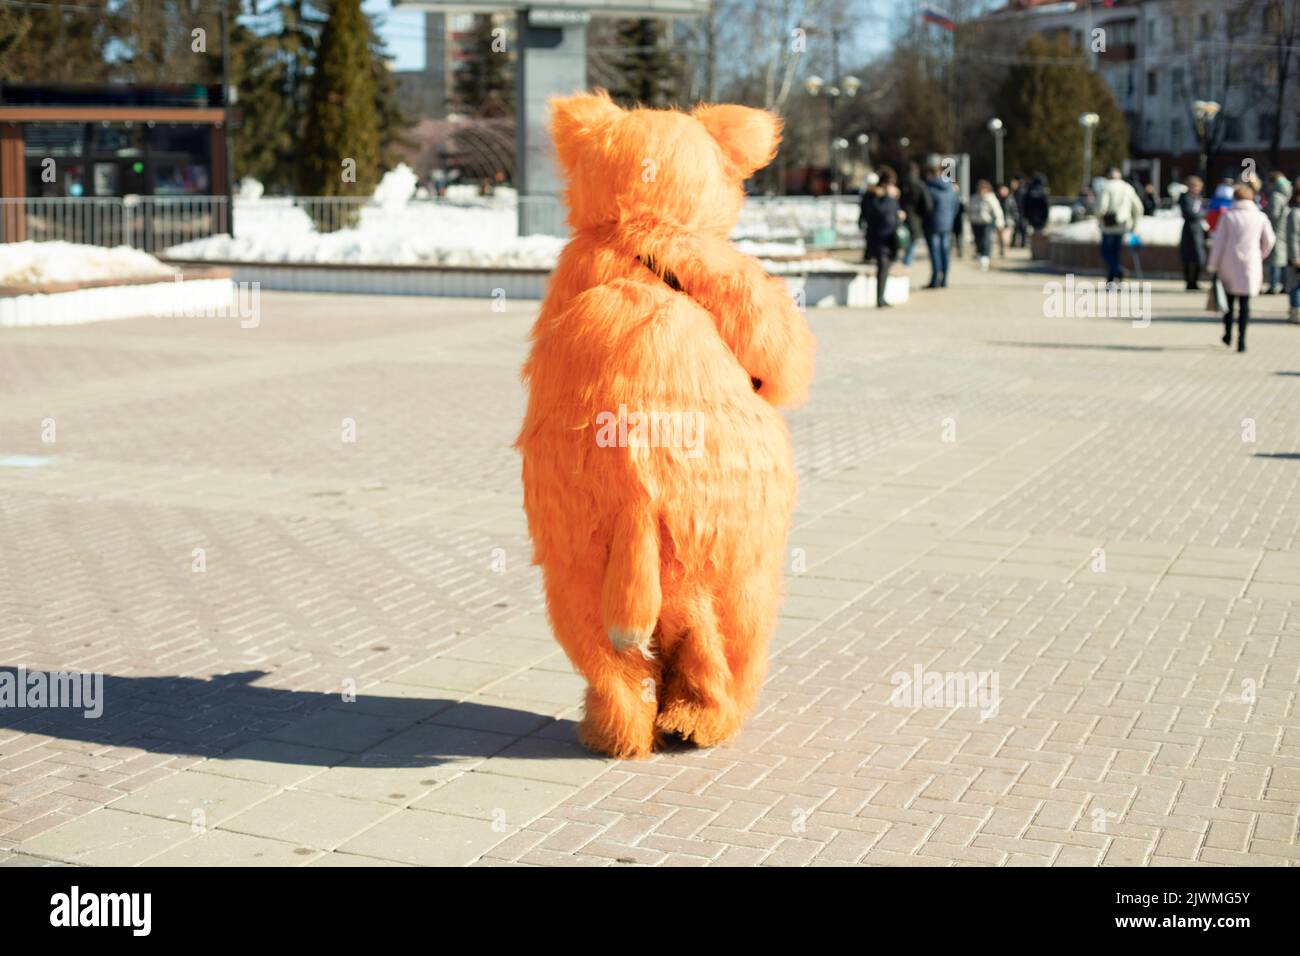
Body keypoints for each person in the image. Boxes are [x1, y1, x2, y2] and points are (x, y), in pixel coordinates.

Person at [1207, 182, 1276, 353]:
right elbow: (1270, 240)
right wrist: (1261, 253)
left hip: (1228, 262)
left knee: (1228, 302)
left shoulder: (1228, 216)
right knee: (1245, 303)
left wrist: (1212, 265)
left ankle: (1228, 334)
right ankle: (1242, 340)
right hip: (1250, 263)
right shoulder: (1260, 216)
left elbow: (1219, 243)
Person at [860, 165, 902, 308]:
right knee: (883, 265)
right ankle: (880, 298)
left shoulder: (888, 198)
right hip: (878, 237)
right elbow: (878, 212)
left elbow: (894, 214)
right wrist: (890, 198)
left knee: (886, 266)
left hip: (889, 238)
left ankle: (881, 297)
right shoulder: (874, 196)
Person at [1095, 167, 1145, 284]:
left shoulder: (1106, 187)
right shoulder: (1128, 188)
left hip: (1108, 225)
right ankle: (1111, 280)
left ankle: (1118, 271)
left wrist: (1098, 218)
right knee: (1116, 254)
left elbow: (1101, 207)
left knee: (1106, 254)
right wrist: (1134, 224)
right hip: (1123, 225)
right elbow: (1138, 208)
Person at [924, 165, 959, 288]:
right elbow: (956, 207)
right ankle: (944, 279)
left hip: (932, 224)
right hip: (947, 224)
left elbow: (926, 207)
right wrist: (950, 218)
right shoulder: (951, 188)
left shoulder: (929, 188)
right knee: (945, 252)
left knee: (935, 253)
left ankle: (935, 279)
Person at [898, 161, 933, 267]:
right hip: (915, 217)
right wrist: (922, 215)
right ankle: (906, 262)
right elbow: (928, 205)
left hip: (900, 216)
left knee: (900, 238)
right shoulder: (920, 184)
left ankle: (902, 260)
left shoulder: (900, 183)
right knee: (913, 240)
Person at [967, 180, 1005, 272]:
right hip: (976, 223)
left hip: (986, 223)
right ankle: (980, 256)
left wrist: (1000, 223)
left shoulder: (990, 198)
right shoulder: (974, 198)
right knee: (978, 241)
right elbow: (969, 209)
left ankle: (985, 258)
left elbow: (997, 211)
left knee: (986, 241)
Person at [1264, 171, 1292, 293]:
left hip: (1276, 229)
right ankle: (1285, 285)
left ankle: (1273, 285)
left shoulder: (1276, 196)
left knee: (1275, 259)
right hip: (1285, 228)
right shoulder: (1287, 193)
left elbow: (1273, 215)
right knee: (1283, 258)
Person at [1179, 175, 1207, 290]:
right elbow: (1190, 213)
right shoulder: (1185, 198)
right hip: (1190, 230)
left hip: (1198, 229)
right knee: (1189, 257)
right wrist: (1203, 214)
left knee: (1199, 257)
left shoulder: (1197, 199)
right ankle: (1189, 282)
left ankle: (1195, 281)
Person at [1285, 184, 1300, 324]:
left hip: (1296, 255)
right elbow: (1292, 237)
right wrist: (1295, 257)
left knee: (1295, 285)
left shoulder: (1295, 213)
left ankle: (1296, 310)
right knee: (1295, 284)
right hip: (1297, 255)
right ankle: (1295, 311)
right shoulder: (1294, 213)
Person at [996, 182, 1017, 255]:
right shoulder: (997, 199)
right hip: (999, 221)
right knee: (1000, 238)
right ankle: (1002, 250)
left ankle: (1005, 249)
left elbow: (1014, 210)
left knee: (1006, 238)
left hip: (1008, 221)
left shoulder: (1011, 199)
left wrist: (1015, 218)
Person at [1009, 175, 1027, 247]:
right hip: (1020, 212)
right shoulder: (1022, 190)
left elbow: (1018, 203)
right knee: (1019, 228)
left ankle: (1016, 243)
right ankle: (1021, 243)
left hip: (1019, 212)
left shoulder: (1019, 191)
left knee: (1018, 228)